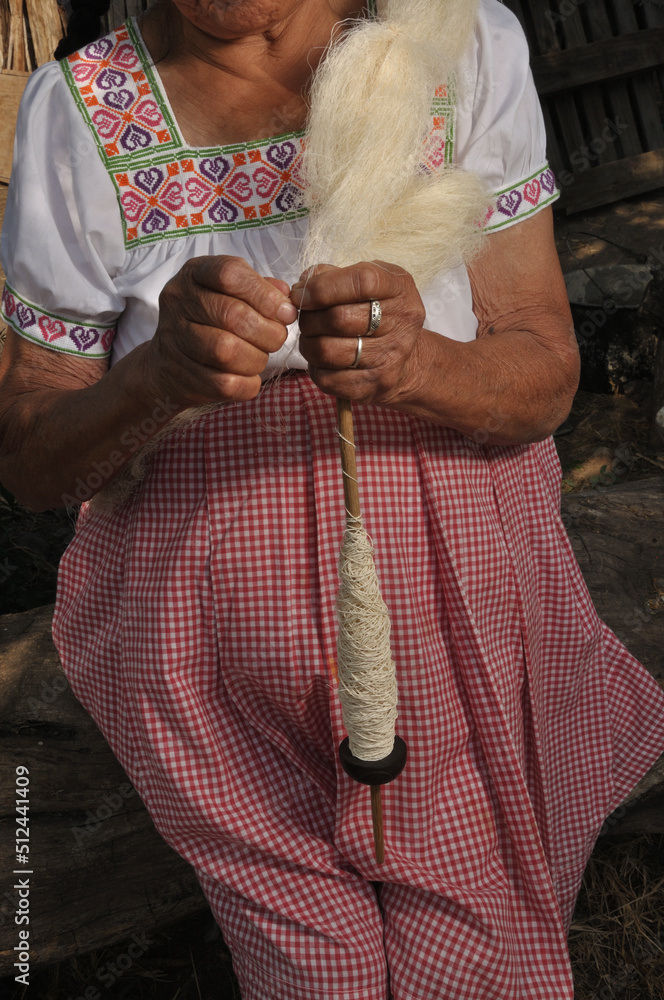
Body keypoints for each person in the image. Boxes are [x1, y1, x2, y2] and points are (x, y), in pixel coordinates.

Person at [0, 0, 662, 996]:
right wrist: (156, 379)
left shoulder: (452, 42)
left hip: (456, 599)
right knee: (308, 964)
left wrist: (418, 362)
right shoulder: (79, 113)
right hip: (206, 656)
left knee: (475, 944)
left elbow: (543, 375)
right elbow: (33, 464)